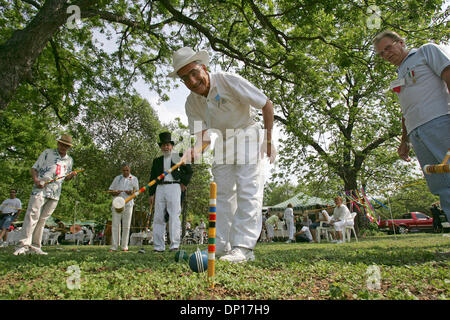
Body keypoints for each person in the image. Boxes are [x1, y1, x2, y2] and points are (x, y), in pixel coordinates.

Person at [169, 47, 276, 262]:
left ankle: (244, 248)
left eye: (193, 73)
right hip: (222, 141)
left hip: (248, 132)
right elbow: (204, 138)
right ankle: (221, 245)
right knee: (223, 193)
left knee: (248, 188)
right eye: (184, 78)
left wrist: (268, 139)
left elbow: (266, 104)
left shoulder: (228, 80)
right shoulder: (192, 103)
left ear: (204, 68)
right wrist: (193, 151)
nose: (191, 81)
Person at [373, 30, 450, 221]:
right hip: (417, 133)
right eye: (381, 54)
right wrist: (404, 140)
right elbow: (406, 109)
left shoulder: (426, 51)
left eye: (388, 48)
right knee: (441, 185)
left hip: (440, 122)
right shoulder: (399, 74)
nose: (386, 55)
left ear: (400, 42)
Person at [13, 134, 77, 256]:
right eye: (62, 144)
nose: (63, 147)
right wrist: (36, 180)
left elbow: (66, 178)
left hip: (55, 192)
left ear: (69, 148)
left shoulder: (69, 160)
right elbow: (34, 168)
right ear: (58, 144)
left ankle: (36, 246)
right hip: (41, 189)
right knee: (32, 216)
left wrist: (72, 175)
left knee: (43, 220)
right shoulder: (48, 153)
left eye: (66, 146)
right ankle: (23, 245)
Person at [149, 132, 193, 252]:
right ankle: (158, 246)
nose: (165, 147)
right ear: (160, 147)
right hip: (160, 188)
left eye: (167, 144)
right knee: (158, 217)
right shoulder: (157, 161)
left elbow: (189, 171)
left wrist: (184, 182)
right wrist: (151, 194)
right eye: (163, 145)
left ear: (171, 146)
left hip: (174, 187)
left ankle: (174, 245)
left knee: (174, 215)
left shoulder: (178, 157)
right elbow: (152, 178)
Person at [109, 163, 139, 252]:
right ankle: (114, 246)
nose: (125, 172)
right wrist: (115, 192)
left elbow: (136, 192)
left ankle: (124, 246)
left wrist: (131, 193)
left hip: (128, 203)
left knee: (126, 225)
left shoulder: (134, 179)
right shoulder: (117, 178)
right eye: (124, 170)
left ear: (130, 170)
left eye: (127, 170)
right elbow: (110, 190)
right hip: (117, 203)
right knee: (115, 224)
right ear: (121, 170)